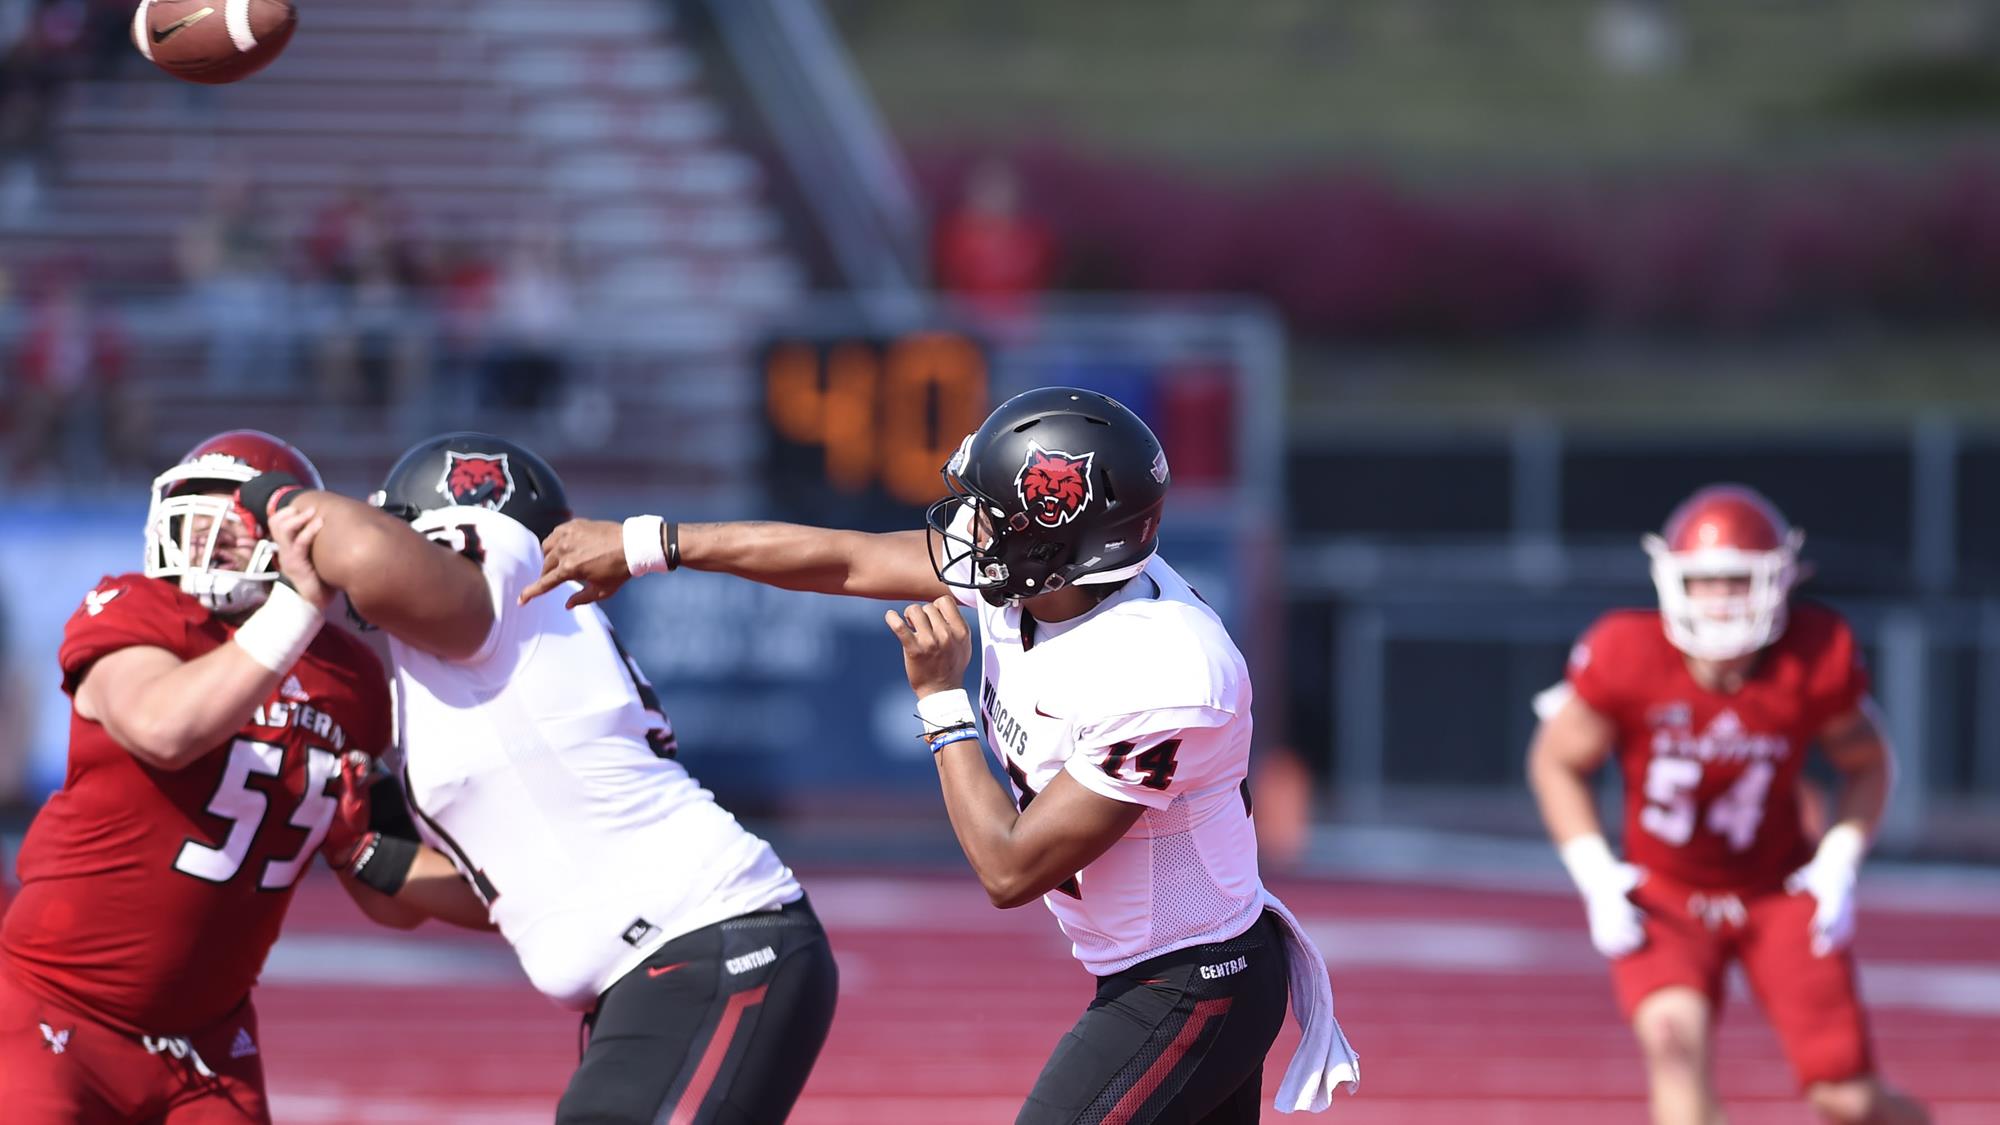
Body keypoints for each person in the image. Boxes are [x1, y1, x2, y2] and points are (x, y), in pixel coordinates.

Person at [529, 386, 1361, 1122]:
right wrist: (649, 542)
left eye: (999, 517)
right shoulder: (1043, 576)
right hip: (1156, 971)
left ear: (1063, 548)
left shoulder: (1168, 668)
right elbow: (847, 558)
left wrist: (939, 700)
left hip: (1193, 982)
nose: (974, 530)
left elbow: (1008, 868)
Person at [232, 432, 838, 1125]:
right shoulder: (469, 674)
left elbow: (365, 551)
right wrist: (367, 849)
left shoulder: (500, 553)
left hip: (712, 943)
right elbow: (513, 895)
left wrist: (271, 493)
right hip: (668, 967)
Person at [0, 429, 393, 1124]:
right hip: (52, 1008)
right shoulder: (137, 607)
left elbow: (373, 876)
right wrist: (296, 608)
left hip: (208, 1045)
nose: (207, 542)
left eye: (230, 524)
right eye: (194, 519)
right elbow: (164, 727)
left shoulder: (351, 677)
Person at [1526, 484, 1929, 1125]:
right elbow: (1556, 759)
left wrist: (1840, 859)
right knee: (1671, 1046)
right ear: (1671, 579)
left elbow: (1868, 762)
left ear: (1779, 580)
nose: (1719, 600)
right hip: (1665, 892)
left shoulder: (1814, 653)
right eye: (1705, 581)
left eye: (1738, 581)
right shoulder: (1626, 652)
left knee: (1847, 1099)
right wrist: (1594, 873)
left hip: (1779, 888)